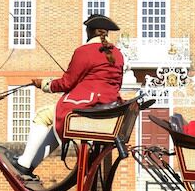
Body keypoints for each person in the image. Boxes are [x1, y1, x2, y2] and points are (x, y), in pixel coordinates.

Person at [8, 14, 126, 181]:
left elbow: (66, 83)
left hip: (89, 108)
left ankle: (24, 162)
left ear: (89, 31)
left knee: (43, 115)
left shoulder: (84, 51)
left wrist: (44, 84)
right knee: (57, 125)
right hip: (109, 109)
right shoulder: (118, 54)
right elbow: (115, 83)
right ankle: (29, 165)